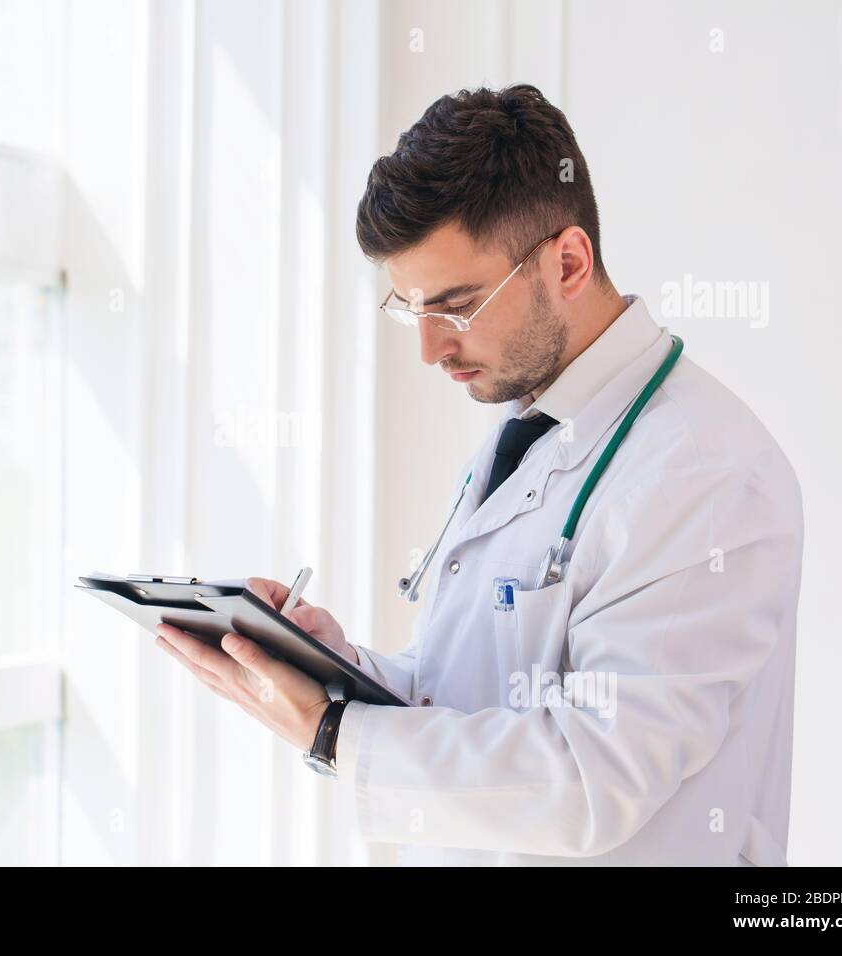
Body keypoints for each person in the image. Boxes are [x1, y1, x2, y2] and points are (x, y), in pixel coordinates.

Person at [156, 84, 803, 866]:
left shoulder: (707, 475)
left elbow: (594, 781)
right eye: (412, 307)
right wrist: (344, 672)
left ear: (568, 261)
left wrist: (333, 734)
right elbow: (477, 692)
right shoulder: (530, 425)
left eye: (456, 306)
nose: (430, 348)